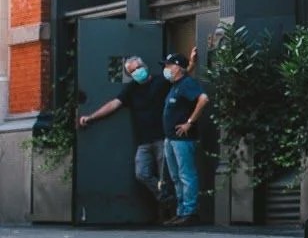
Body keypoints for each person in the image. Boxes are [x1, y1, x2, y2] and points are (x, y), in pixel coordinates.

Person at [76, 52, 169, 223]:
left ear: (145, 67)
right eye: (133, 71)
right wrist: (91, 117)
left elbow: (179, 82)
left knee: (166, 175)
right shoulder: (132, 88)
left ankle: (169, 211)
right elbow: (114, 104)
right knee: (141, 173)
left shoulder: (160, 82)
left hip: (162, 138)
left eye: (138, 68)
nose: (137, 73)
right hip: (144, 141)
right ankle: (164, 196)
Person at [160, 52, 210, 225]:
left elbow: (203, 99)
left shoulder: (187, 83)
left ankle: (190, 211)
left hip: (182, 139)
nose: (166, 69)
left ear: (177, 67)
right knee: (176, 176)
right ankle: (181, 211)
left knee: (186, 175)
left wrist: (189, 122)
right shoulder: (177, 84)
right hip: (171, 138)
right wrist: (192, 64)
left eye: (168, 65)